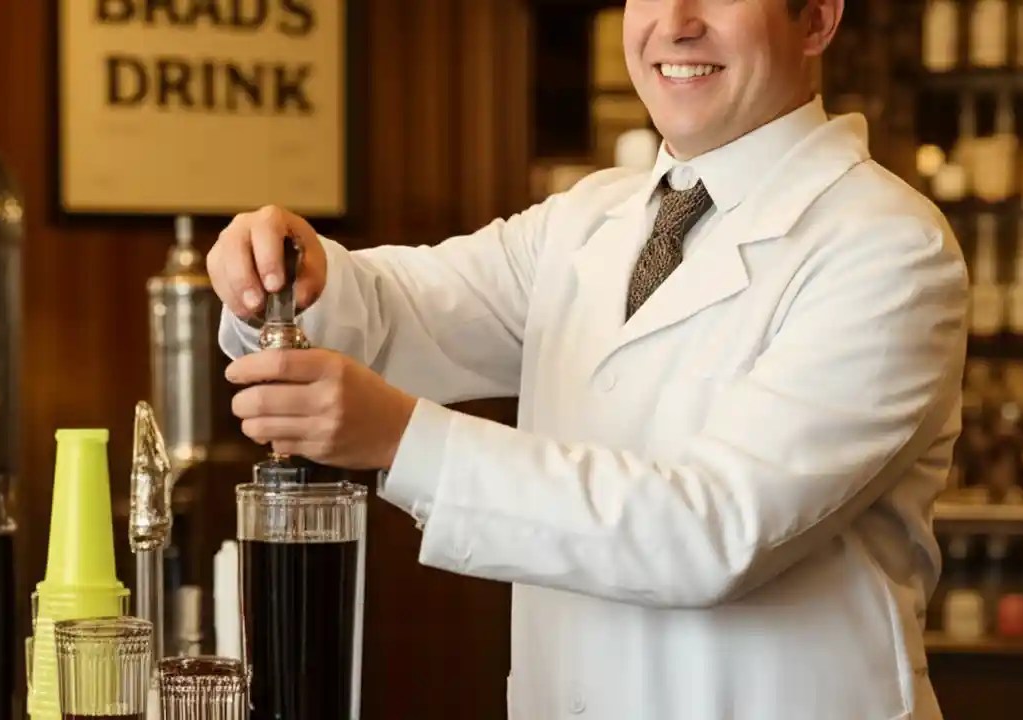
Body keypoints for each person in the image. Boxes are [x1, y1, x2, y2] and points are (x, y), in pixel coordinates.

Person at [210, 0, 967, 717]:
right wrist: (287, 279)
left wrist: (401, 440)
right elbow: (393, 312)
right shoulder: (589, 219)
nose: (675, 25)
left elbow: (717, 532)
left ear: (819, 18)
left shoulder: (888, 246)